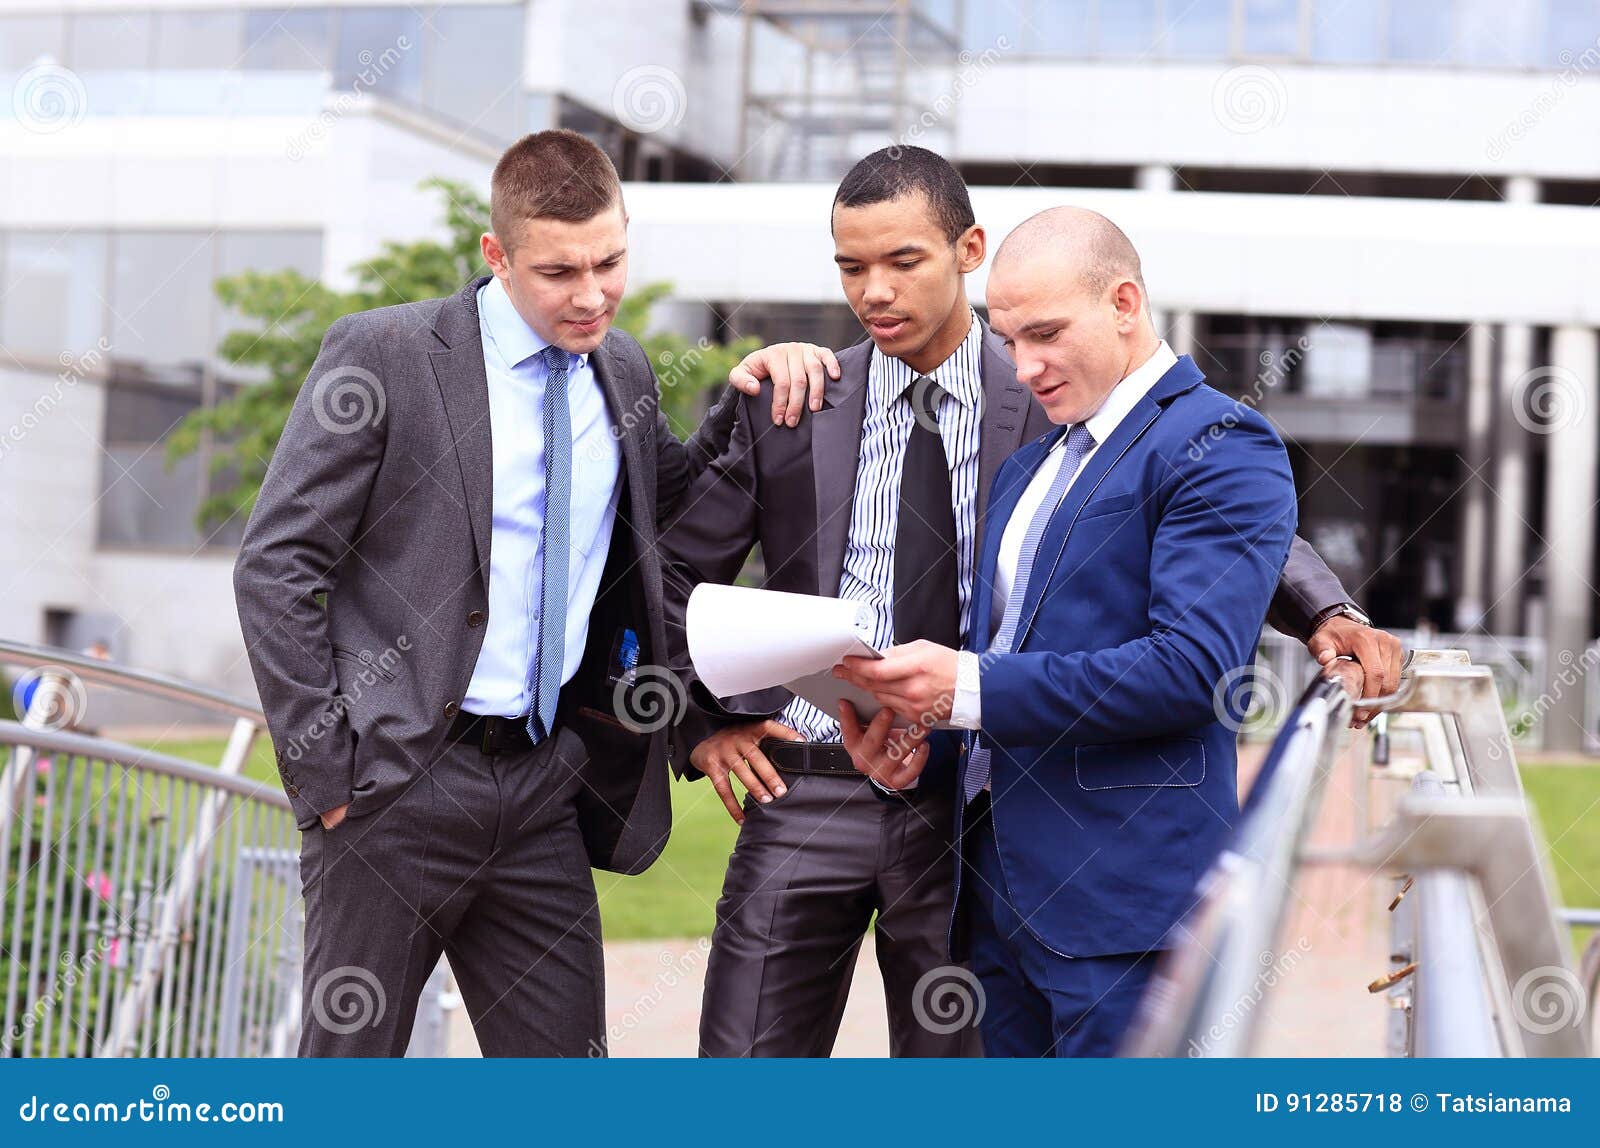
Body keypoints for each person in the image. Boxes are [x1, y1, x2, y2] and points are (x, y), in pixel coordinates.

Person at [660, 147, 1387, 1058]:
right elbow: (669, 566)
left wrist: (1326, 610)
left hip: (969, 799)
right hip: (817, 775)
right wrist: (698, 716)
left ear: (968, 249)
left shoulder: (1054, 393)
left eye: (903, 262)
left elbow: (1207, 512)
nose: (875, 292)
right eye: (852, 268)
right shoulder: (802, 396)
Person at [233, 129, 821, 1057]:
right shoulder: (385, 354)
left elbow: (663, 506)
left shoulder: (620, 366)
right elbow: (275, 563)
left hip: (543, 786)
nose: (592, 295)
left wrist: (746, 395)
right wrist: (328, 777)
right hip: (394, 790)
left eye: (611, 262)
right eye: (559, 273)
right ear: (497, 256)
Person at [835, 206, 1299, 1056]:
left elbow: (1192, 670)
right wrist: (923, 743)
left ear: (1124, 303)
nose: (1026, 366)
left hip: (1123, 907)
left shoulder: (1222, 443)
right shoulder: (1030, 466)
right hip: (996, 895)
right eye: (1007, 341)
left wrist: (963, 687)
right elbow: (1014, 661)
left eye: (1045, 333)